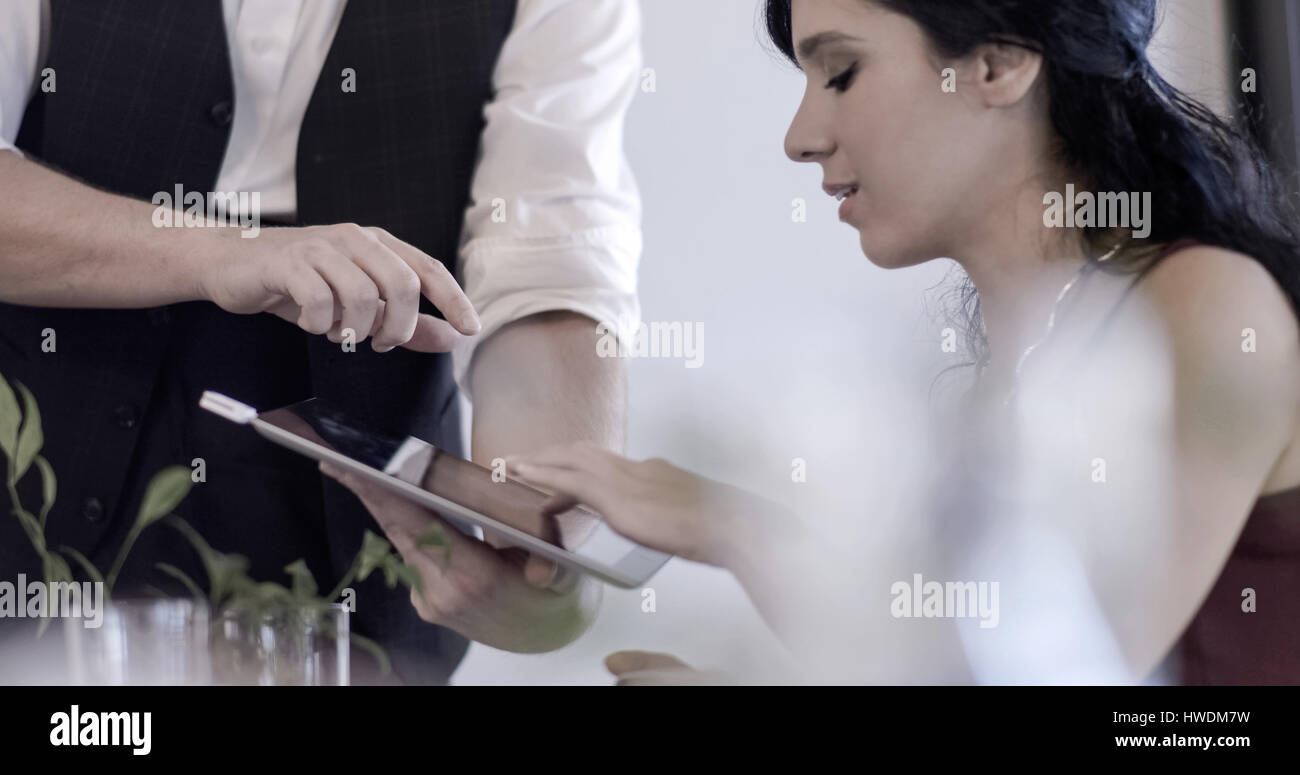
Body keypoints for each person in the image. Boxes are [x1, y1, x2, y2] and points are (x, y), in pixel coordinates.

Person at [328, 0, 1300, 685]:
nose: (800, 136)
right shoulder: (1017, 368)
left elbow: (1059, 668)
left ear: (1001, 63)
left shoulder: (1208, 302)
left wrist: (732, 523)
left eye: (841, 71)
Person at [0, 0, 642, 684]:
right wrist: (222, 253)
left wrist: (545, 532)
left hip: (361, 545)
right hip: (35, 484)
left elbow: (549, 258)